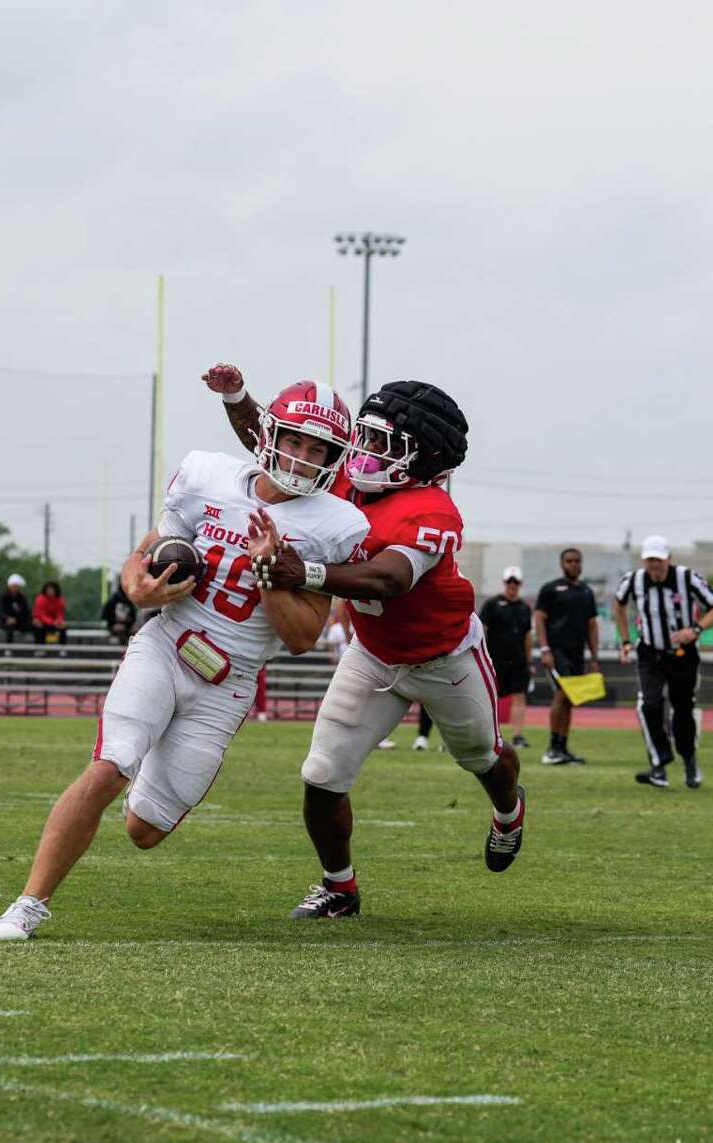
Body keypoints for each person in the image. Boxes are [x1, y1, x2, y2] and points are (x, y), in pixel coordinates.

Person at [0, 381, 370, 941]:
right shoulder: (208, 477)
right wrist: (136, 585)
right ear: (271, 434)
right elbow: (144, 554)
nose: (303, 457)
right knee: (109, 765)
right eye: (296, 440)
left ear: (334, 459)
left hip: (228, 684)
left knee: (144, 831)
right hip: (166, 647)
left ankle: (143, 753)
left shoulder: (337, 525)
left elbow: (302, 638)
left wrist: (270, 573)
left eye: (319, 450)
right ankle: (28, 904)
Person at [218, 368, 528, 917]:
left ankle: (508, 809)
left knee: (482, 757)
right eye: (366, 434)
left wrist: (304, 572)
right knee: (322, 775)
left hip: (445, 658)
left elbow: (389, 579)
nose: (364, 450)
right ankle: (340, 888)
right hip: (373, 654)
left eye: (383, 443)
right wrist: (237, 399)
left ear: (424, 461)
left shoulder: (432, 509)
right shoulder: (345, 480)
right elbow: (279, 446)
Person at [612, 536, 713, 789]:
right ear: (644, 560)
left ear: (668, 559)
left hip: (682, 654)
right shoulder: (634, 580)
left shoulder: (687, 578)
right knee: (649, 705)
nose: (655, 566)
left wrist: (695, 629)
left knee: (682, 709)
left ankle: (689, 761)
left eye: (659, 560)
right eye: (650, 560)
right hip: (649, 652)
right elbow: (618, 605)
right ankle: (659, 765)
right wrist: (626, 641)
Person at [533, 549, 601, 765]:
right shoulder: (551, 589)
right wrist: (544, 649)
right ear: (562, 564)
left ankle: (562, 747)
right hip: (556, 652)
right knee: (561, 694)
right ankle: (552, 749)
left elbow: (592, 625)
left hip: (576, 653)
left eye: (577, 561)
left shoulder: (586, 592)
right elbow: (540, 619)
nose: (573, 564)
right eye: (569, 561)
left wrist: (594, 657)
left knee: (571, 699)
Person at [480, 567, 535, 750]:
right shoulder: (492, 605)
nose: (512, 585)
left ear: (520, 584)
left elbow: (528, 636)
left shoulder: (524, 608)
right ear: (505, 583)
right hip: (495, 660)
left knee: (519, 697)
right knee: (490, 698)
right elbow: (482, 631)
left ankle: (518, 735)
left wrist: (529, 661)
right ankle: (490, 733)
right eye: (509, 582)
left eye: (516, 582)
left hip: (518, 661)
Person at [32, 580, 68, 646]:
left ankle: (62, 649)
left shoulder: (60, 599)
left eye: (52, 590)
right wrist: (53, 623)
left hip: (54, 622)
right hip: (42, 622)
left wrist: (59, 621)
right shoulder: (40, 599)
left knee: (63, 627)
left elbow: (60, 614)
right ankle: (40, 648)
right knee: (38, 626)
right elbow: (41, 615)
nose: (50, 591)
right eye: (48, 589)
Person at [0, 575, 31, 644]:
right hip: (6, 622)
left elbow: (26, 612)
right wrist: (8, 618)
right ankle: (8, 648)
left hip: (19, 622)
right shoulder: (4, 597)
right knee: (10, 627)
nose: (15, 589)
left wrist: (17, 619)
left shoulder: (22, 598)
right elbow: (1, 612)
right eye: (14, 586)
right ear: (9, 586)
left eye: (17, 586)